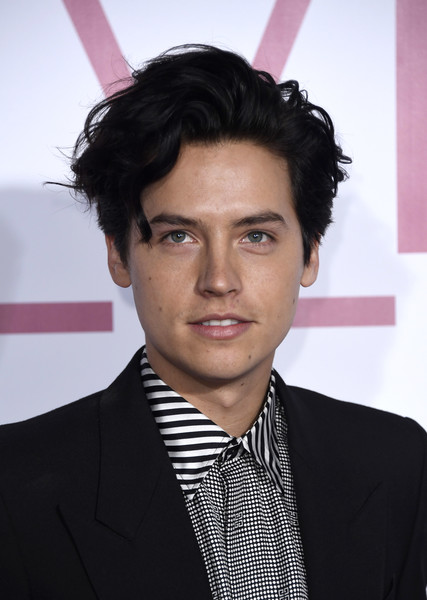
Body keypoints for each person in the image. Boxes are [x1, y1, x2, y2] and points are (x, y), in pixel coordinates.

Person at [0, 45, 426, 600]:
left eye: (256, 236)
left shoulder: (395, 461)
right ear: (119, 255)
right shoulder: (14, 488)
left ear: (310, 253)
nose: (219, 280)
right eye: (179, 236)